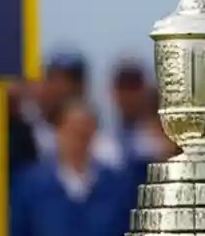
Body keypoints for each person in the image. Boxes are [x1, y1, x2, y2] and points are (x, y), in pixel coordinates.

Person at [9, 100, 136, 236]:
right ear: (58, 132)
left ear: (94, 134)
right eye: (72, 131)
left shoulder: (117, 186)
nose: (77, 140)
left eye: (84, 134)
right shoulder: (30, 186)